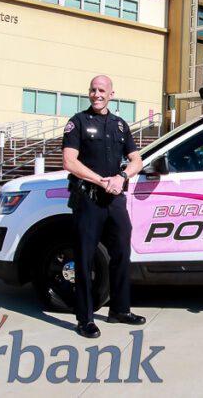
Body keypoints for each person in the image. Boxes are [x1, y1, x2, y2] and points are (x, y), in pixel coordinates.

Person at [62, 75, 146, 338]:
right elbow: (69, 162)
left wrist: (121, 177)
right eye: (93, 90)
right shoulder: (78, 122)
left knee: (121, 253)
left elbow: (137, 160)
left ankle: (119, 310)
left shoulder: (120, 125)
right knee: (84, 259)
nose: (96, 94)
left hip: (115, 200)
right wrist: (101, 181)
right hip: (89, 200)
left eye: (101, 90)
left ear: (111, 94)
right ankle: (85, 318)